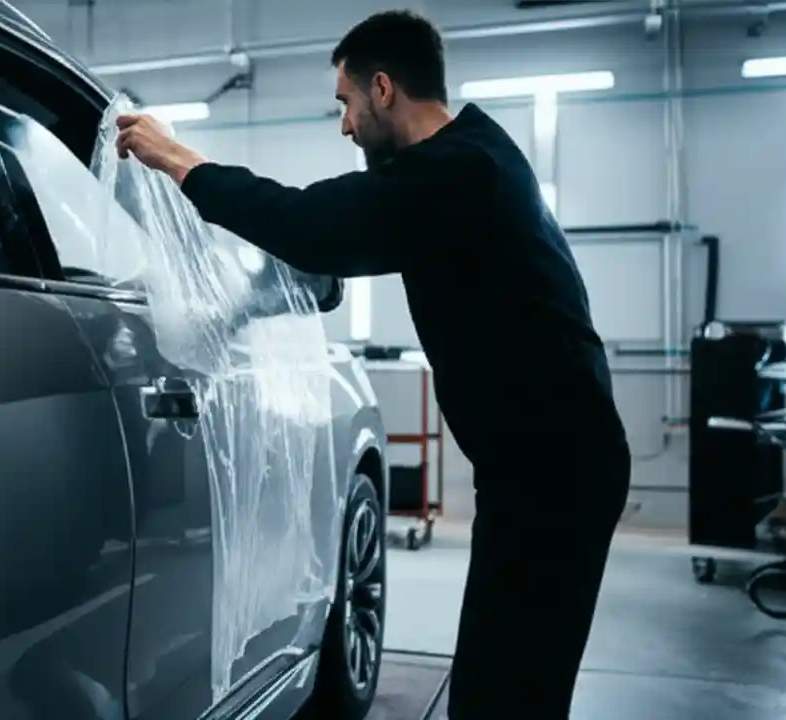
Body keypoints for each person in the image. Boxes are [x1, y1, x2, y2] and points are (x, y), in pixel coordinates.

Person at [116, 9, 630, 719]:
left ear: (382, 89)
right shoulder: (467, 166)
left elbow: (310, 223)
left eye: (345, 103)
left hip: (556, 473)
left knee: (504, 694)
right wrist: (268, 295)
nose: (345, 125)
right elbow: (345, 240)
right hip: (550, 465)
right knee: (507, 682)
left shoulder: (459, 171)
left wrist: (177, 157)